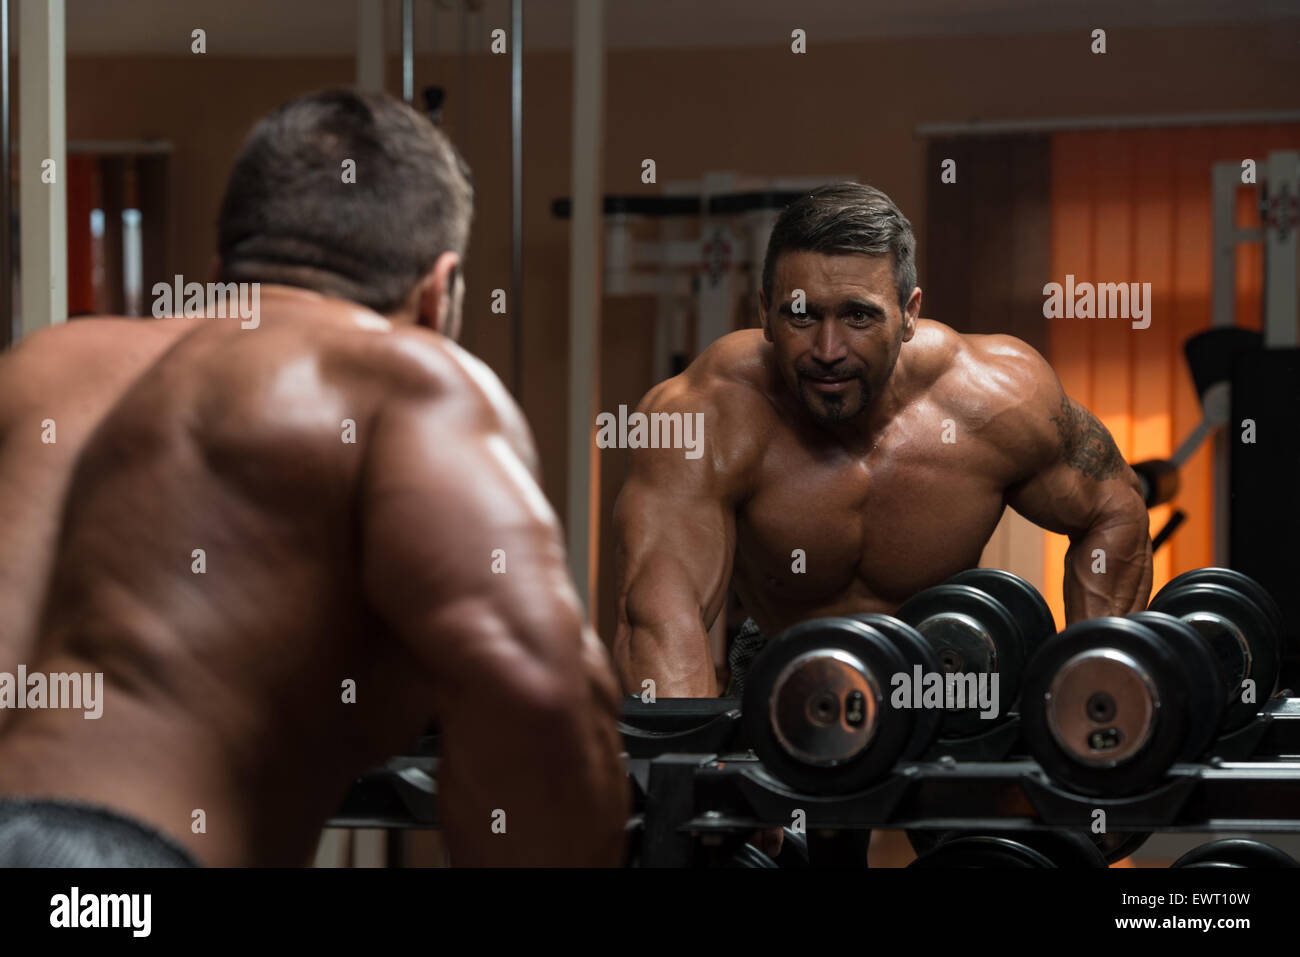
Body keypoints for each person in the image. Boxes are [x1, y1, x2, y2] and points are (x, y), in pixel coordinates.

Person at [0, 88, 628, 867]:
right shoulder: (401, 375)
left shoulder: (41, 368)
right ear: (439, 290)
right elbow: (537, 688)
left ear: (222, 270)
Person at [613, 182, 1151, 698]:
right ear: (765, 313)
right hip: (787, 670)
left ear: (910, 313)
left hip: (946, 675)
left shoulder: (995, 397)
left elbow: (1113, 510)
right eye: (802, 315)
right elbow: (660, 614)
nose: (828, 349)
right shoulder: (704, 415)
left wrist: (1093, 682)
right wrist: (681, 758)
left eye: (858, 316)